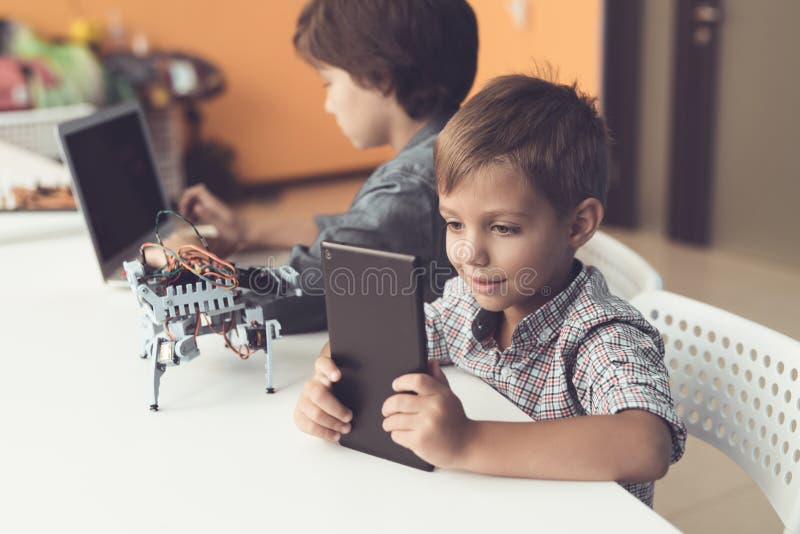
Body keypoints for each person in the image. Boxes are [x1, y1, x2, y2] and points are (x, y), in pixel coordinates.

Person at [293, 74, 687, 506]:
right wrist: (338, 372)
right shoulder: (466, 300)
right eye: (454, 223)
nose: (469, 252)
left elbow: (646, 445)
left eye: (502, 228)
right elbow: (395, 338)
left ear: (577, 225)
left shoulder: (601, 333)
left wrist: (467, 440)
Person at [174, 0, 479, 333]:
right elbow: (361, 233)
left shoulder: (410, 186)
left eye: (328, 83)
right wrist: (247, 231)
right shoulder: (453, 144)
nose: (328, 105)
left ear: (378, 79)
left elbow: (289, 296)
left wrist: (188, 266)